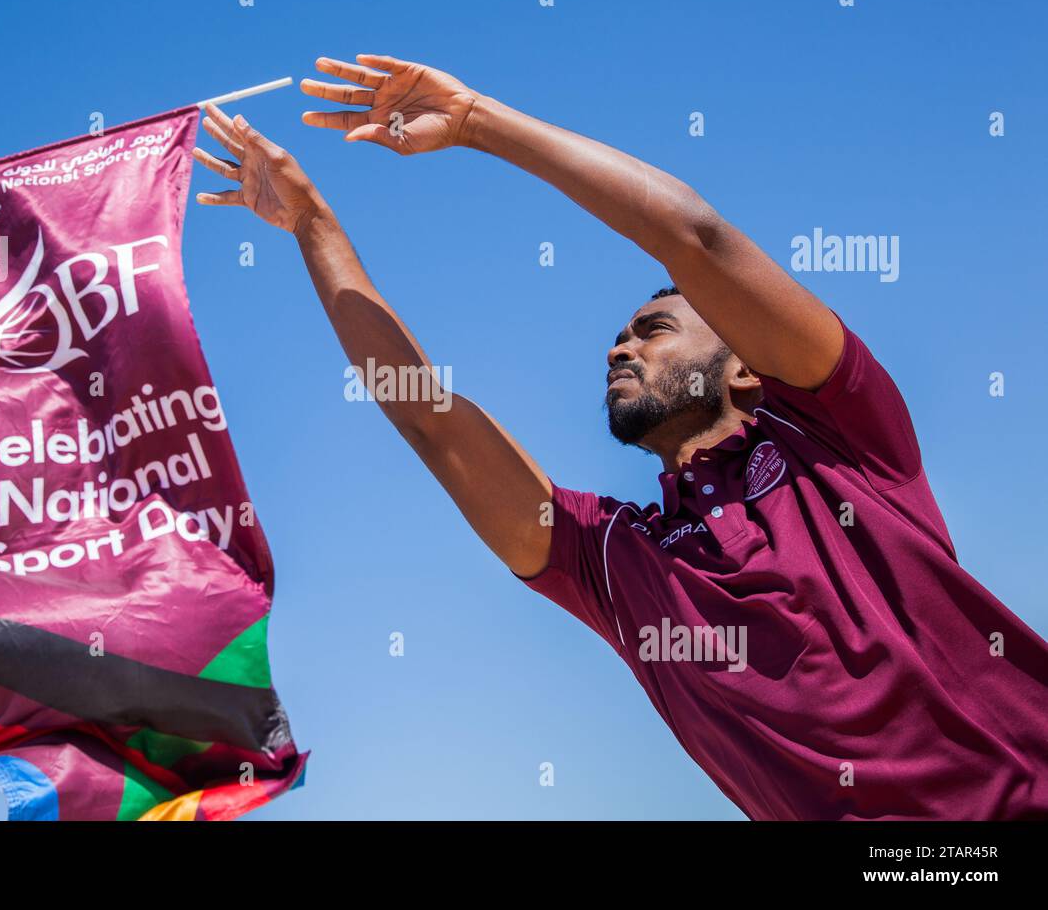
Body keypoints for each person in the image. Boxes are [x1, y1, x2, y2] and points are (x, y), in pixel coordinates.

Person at [193, 54, 1048, 820]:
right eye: (622, 334)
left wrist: (478, 121)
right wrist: (313, 228)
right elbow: (427, 415)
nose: (619, 345)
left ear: (745, 369)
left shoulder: (836, 436)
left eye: (654, 328)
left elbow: (695, 236)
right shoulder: (613, 561)